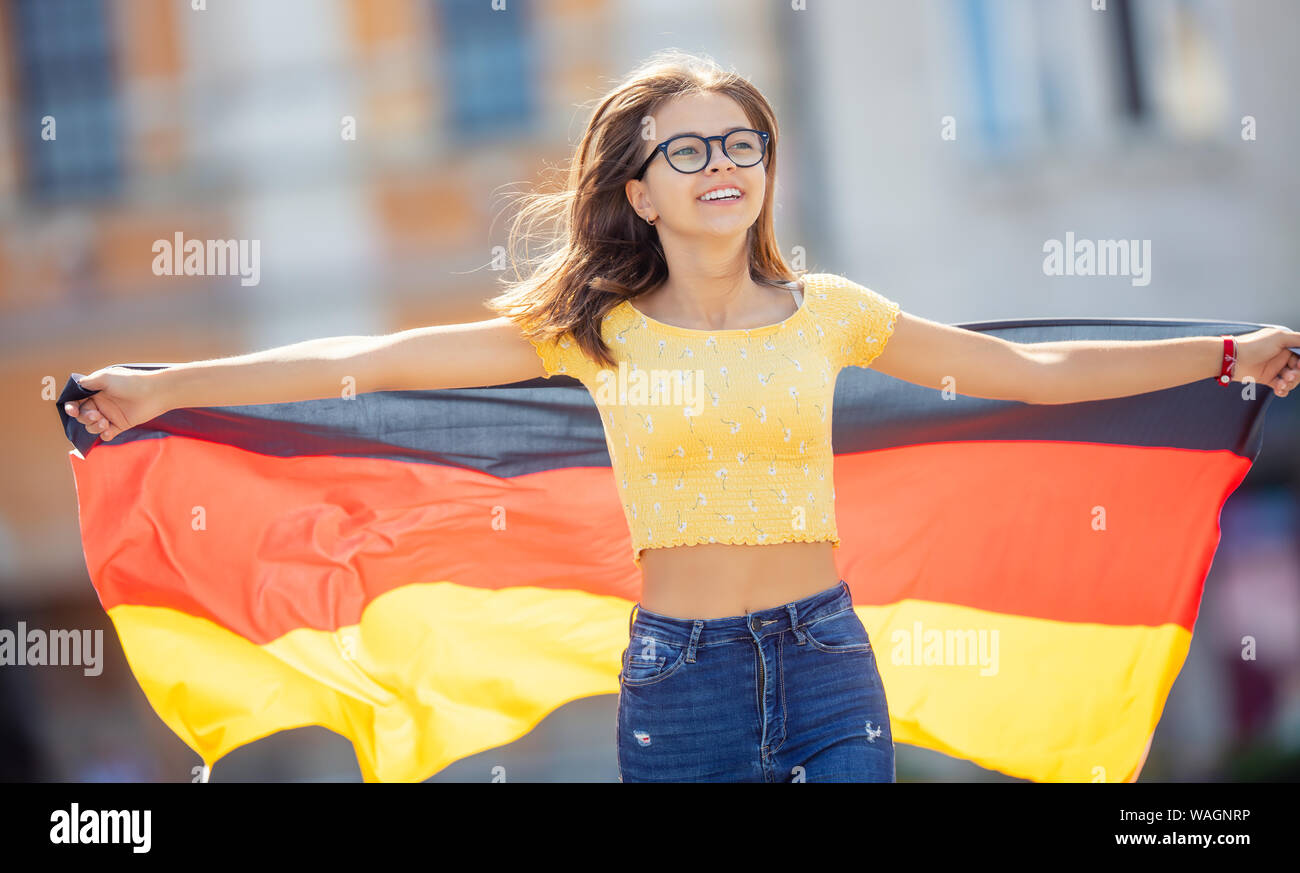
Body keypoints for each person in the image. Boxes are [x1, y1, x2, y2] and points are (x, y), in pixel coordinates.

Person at [62, 50, 1300, 783]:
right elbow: (365, 359)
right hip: (679, 679)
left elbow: (1029, 375)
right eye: (688, 148)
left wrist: (1226, 352)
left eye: (742, 141)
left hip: (826, 661)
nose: (723, 162)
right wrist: (167, 387)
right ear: (638, 191)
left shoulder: (832, 313)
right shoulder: (591, 329)